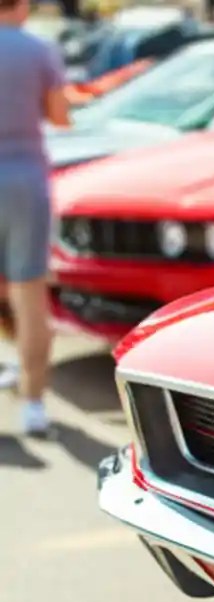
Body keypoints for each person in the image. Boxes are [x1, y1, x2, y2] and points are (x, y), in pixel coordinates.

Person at [0, 0, 69, 435]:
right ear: (21, 6)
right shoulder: (39, 49)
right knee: (29, 292)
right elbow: (60, 117)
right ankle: (34, 405)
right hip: (24, 178)